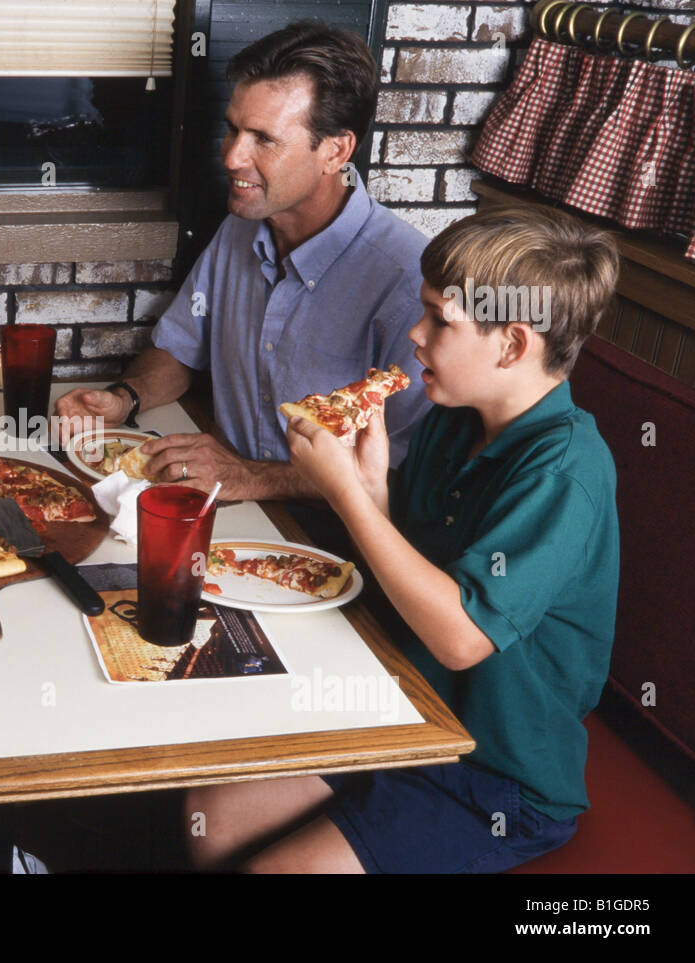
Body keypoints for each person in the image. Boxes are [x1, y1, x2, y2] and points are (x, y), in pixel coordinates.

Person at [185, 206, 620, 872]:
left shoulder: (565, 472)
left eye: (439, 320)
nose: (414, 334)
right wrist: (374, 490)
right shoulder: (457, 419)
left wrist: (346, 497)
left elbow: (459, 634)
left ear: (511, 344)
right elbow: (409, 569)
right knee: (208, 822)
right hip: (400, 710)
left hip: (494, 772)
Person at [56, 22, 432, 501]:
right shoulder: (242, 225)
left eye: (264, 139)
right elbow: (179, 350)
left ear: (335, 151)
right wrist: (124, 398)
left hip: (325, 542)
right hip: (218, 503)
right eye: (233, 129)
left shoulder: (408, 280)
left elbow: (405, 473)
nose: (232, 157)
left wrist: (251, 477)